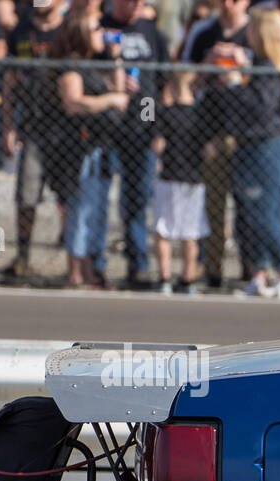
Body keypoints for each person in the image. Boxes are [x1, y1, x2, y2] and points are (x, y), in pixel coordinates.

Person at [199, 5, 280, 296]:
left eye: (253, 28)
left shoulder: (269, 68)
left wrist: (235, 82)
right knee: (251, 213)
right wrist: (239, 69)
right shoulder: (258, 65)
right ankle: (259, 275)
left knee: (265, 215)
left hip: (265, 149)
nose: (248, 33)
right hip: (249, 147)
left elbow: (261, 107)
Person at [55, 9, 129, 288]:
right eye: (96, 30)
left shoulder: (94, 65)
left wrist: (116, 57)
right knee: (81, 211)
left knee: (96, 211)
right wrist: (110, 100)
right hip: (81, 150)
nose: (102, 34)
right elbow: (74, 103)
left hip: (102, 148)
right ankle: (75, 273)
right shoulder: (72, 66)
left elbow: (121, 92)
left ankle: (88, 270)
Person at [102, 0, 169, 290]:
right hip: (108, 126)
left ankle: (139, 265)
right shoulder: (101, 26)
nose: (136, 6)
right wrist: (112, 80)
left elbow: (164, 81)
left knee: (137, 200)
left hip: (143, 126)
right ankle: (96, 264)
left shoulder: (152, 32)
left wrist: (159, 129)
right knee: (100, 197)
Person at [186, 0, 251, 289]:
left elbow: (270, 81)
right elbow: (183, 79)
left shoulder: (255, 32)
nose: (228, 5)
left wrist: (242, 64)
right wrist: (207, 65)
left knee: (250, 205)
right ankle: (213, 269)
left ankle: (252, 266)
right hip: (212, 132)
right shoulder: (204, 32)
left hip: (248, 134)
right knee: (214, 206)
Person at [0, 0, 63, 279]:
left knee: (70, 196)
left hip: (66, 129)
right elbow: (9, 82)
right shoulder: (21, 31)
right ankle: (22, 256)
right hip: (33, 127)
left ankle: (74, 260)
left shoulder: (68, 30)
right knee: (26, 196)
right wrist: (8, 127)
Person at [150, 68, 208, 291]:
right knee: (190, 232)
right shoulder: (201, 115)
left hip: (170, 175)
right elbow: (209, 148)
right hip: (194, 177)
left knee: (163, 229)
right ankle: (187, 278)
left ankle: (165, 277)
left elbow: (158, 144)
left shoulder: (165, 113)